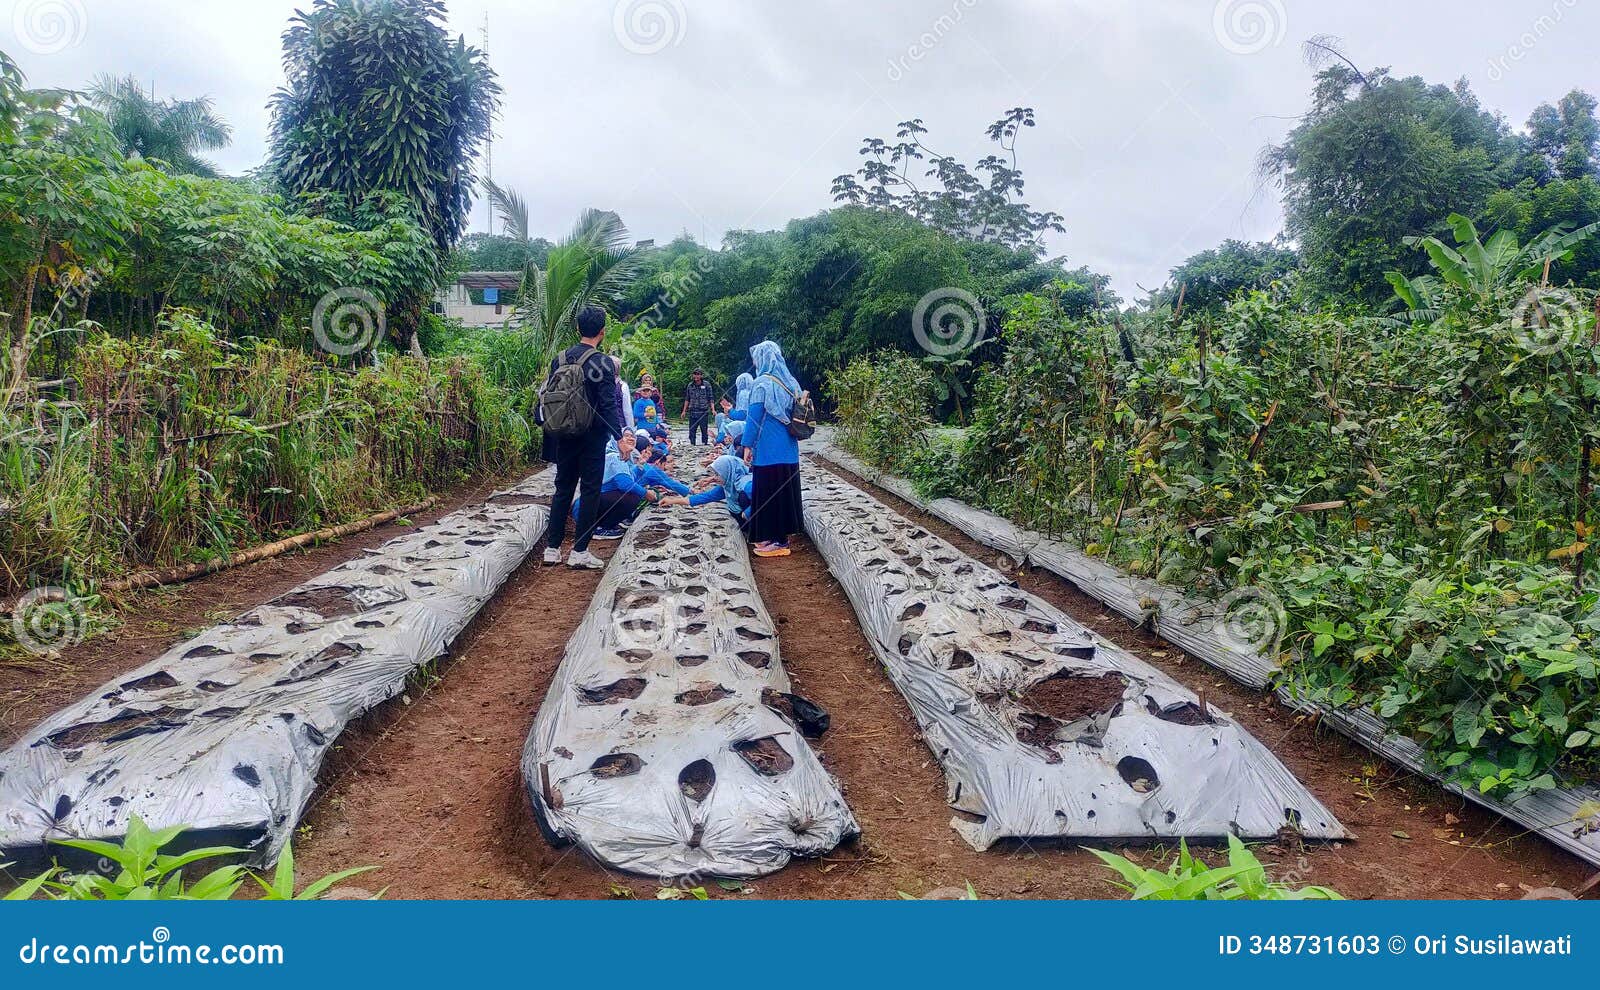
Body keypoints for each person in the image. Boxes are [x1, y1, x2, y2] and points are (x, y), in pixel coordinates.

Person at [540, 307, 623, 570]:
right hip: (592, 436)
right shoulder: (603, 362)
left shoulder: (560, 359)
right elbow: (609, 404)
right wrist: (620, 436)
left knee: (562, 488)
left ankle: (552, 549)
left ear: (578, 329)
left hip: (562, 434)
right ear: (602, 331)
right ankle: (579, 551)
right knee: (589, 490)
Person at [741, 341, 804, 558]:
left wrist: (746, 445)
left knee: (769, 495)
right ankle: (776, 537)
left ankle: (779, 542)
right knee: (784, 495)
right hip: (789, 450)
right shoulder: (791, 382)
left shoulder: (761, 384)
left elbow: (754, 418)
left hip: (768, 452)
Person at [573, 431, 688, 538]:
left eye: (633, 436)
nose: (631, 438)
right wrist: (690, 494)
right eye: (626, 436)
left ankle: (608, 524)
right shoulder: (615, 457)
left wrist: (640, 465)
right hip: (584, 510)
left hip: (586, 506)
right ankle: (598, 528)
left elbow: (629, 477)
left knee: (636, 493)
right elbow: (625, 484)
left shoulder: (627, 461)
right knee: (634, 496)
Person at [688, 452, 753, 527]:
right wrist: (676, 500)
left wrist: (748, 512)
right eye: (714, 474)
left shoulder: (747, 485)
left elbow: (766, 496)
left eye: (718, 474)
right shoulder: (729, 484)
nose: (714, 477)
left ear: (728, 471)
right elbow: (707, 496)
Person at [682, 369, 716, 446]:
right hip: (692, 411)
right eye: (695, 374)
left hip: (703, 411)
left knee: (704, 429)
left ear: (701, 375)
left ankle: (704, 443)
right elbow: (687, 399)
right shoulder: (690, 385)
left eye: (698, 374)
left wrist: (713, 409)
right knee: (692, 429)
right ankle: (692, 443)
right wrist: (684, 411)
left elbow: (711, 398)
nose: (696, 376)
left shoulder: (707, 385)